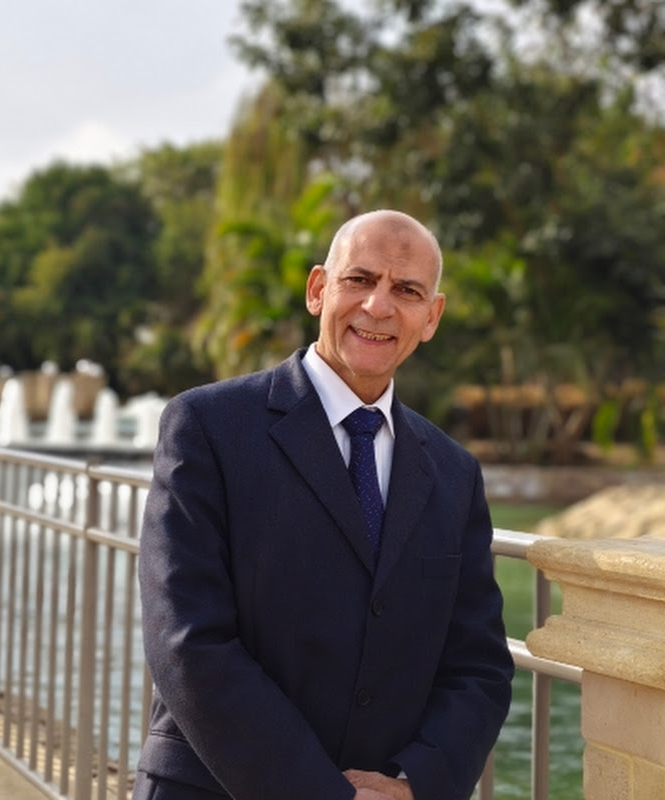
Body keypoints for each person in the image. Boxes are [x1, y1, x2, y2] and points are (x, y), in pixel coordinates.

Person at [132, 209, 514, 800]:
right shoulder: (206, 425)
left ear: (431, 317)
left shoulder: (454, 472)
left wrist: (413, 784)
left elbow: (478, 666)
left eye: (407, 291)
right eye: (359, 279)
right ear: (318, 290)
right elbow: (187, 640)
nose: (378, 306)